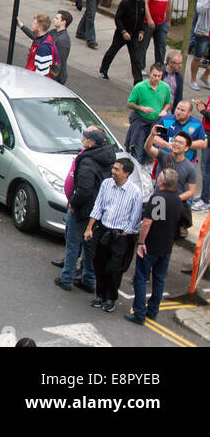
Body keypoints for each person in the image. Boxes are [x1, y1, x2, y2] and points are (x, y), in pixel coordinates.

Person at [54, 127, 114, 294]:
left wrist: (73, 202)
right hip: (97, 210)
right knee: (89, 246)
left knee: (73, 243)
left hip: (83, 209)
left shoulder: (88, 161)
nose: (82, 140)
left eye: (85, 138)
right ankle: (89, 280)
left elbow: (85, 189)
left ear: (92, 143)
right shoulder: (108, 158)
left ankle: (66, 278)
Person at [125, 168, 184, 325]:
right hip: (166, 247)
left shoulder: (157, 198)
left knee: (141, 278)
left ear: (162, 182)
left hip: (151, 245)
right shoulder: (178, 200)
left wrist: (141, 242)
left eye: (159, 177)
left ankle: (139, 313)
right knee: (159, 279)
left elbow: (147, 223)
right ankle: (152, 311)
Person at [85, 157, 144, 313]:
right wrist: (90, 227)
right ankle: (100, 295)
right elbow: (98, 206)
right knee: (99, 264)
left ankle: (111, 298)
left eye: (117, 169)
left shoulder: (135, 193)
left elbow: (135, 217)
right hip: (103, 231)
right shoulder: (106, 184)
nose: (113, 171)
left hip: (120, 237)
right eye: (113, 168)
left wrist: (125, 232)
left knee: (115, 269)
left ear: (127, 173)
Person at [100, 0, 148, 83]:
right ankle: (103, 70)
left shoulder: (142, 4)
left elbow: (143, 20)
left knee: (136, 59)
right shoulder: (125, 2)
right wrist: (123, 31)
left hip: (134, 35)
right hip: (122, 33)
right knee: (112, 51)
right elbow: (118, 18)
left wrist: (142, 32)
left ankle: (138, 81)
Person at [125, 64, 171, 162]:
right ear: (149, 74)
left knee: (152, 150)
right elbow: (129, 103)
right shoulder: (140, 87)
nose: (157, 78)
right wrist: (141, 108)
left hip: (156, 122)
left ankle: (148, 171)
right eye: (154, 75)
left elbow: (167, 103)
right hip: (140, 121)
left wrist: (164, 110)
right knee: (137, 148)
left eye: (159, 76)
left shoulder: (165, 87)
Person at [143, 0, 174, 68]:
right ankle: (140, 66)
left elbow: (169, 5)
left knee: (161, 46)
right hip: (148, 22)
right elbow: (145, 3)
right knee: (143, 45)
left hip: (161, 22)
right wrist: (149, 19)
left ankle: (159, 67)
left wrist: (169, 21)